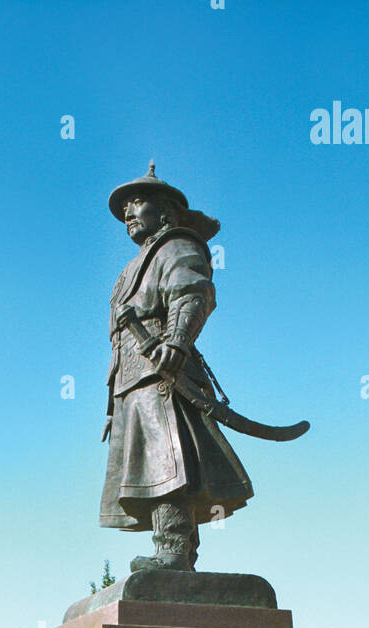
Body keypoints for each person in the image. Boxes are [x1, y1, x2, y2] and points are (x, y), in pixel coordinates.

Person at [100, 163, 253, 571]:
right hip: (133, 380)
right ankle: (177, 557)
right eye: (125, 207)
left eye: (138, 203)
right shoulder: (131, 268)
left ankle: (173, 552)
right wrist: (112, 403)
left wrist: (177, 341)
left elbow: (192, 292)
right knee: (154, 464)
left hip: (163, 373)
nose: (129, 213)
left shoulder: (175, 246)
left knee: (167, 463)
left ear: (165, 211)